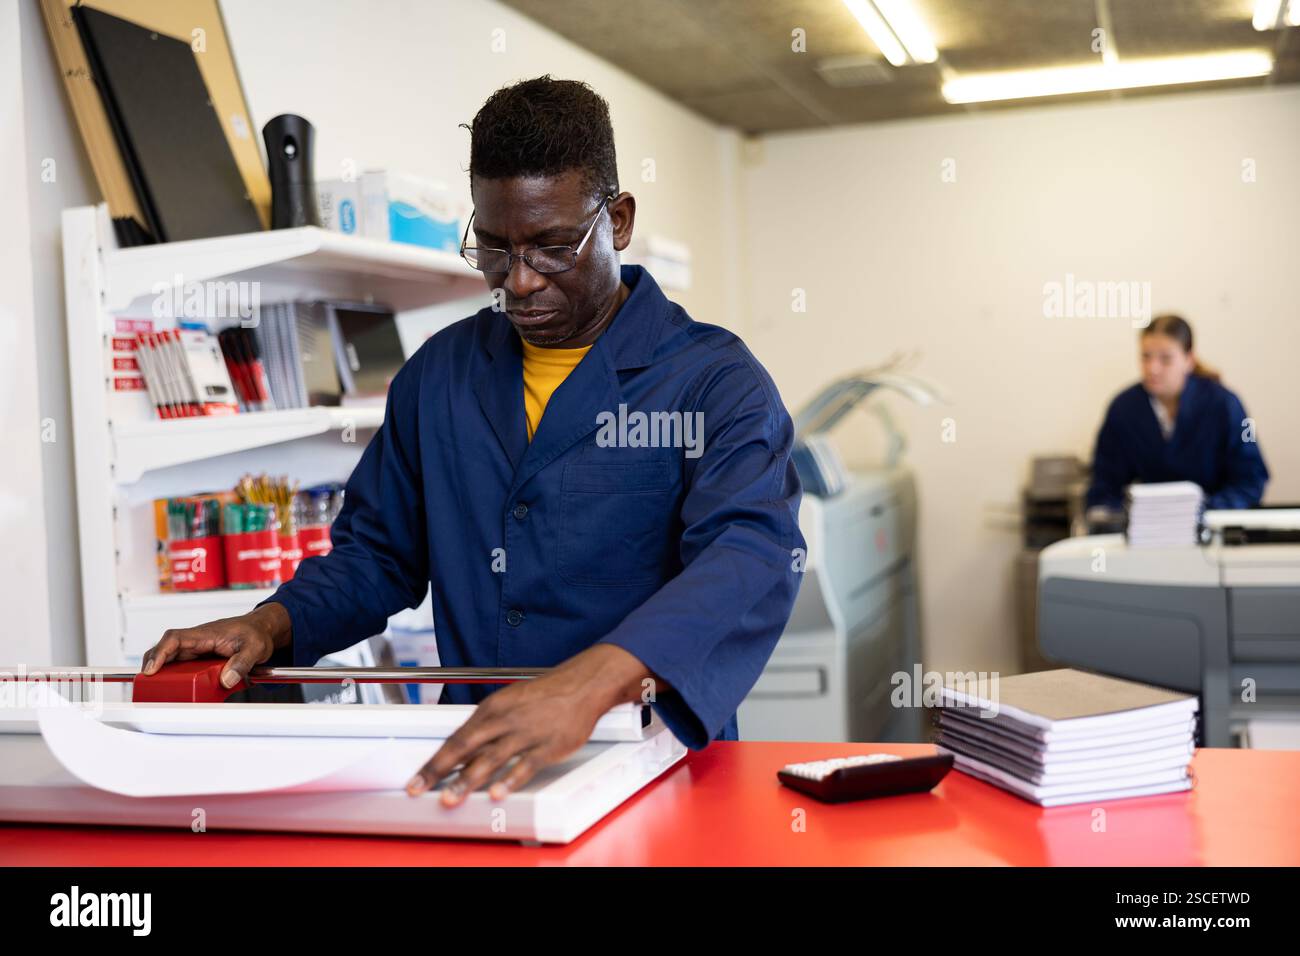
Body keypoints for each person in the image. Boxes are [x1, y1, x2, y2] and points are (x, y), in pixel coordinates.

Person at [140, 76, 805, 805]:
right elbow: (380, 554)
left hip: (653, 764)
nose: (518, 282)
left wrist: (592, 682)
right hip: (475, 763)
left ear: (617, 221)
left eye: (552, 248)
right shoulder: (441, 375)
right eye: (494, 249)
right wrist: (271, 623)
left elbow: (750, 556)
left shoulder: (713, 381)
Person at [1085, 313, 1268, 513]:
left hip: (1214, 524)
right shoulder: (1122, 408)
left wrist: (1207, 511)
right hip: (1149, 530)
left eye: (1165, 359)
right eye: (1146, 357)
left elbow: (1252, 477)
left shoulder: (1228, 404)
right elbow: (1104, 483)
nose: (1152, 368)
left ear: (1189, 359)